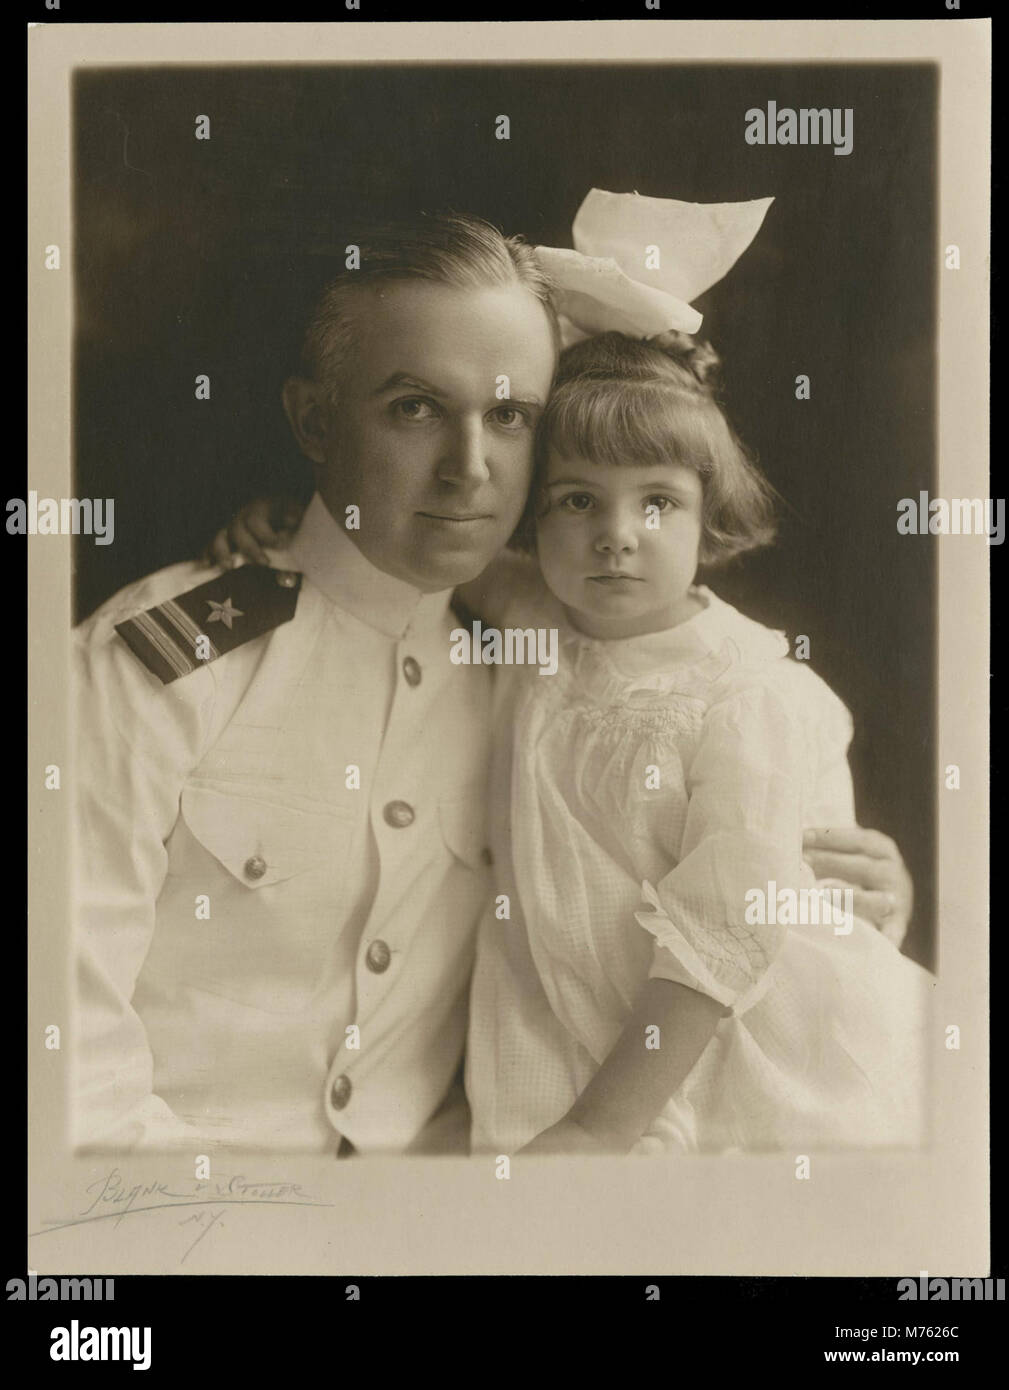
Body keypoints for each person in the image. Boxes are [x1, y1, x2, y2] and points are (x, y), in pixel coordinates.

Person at [79, 203, 915, 1157]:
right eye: (414, 408)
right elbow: (68, 1078)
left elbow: (697, 885)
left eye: (510, 417)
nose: (468, 469)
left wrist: (837, 903)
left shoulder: (532, 661)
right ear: (314, 419)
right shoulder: (165, 665)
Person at [455, 330, 931, 1155]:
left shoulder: (748, 694)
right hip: (573, 1038)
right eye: (575, 499)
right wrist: (295, 525)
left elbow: (725, 932)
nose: (616, 534)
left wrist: (598, 1129)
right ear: (530, 514)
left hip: (726, 1045)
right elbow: (445, 561)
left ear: (708, 510)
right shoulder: (540, 620)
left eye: (657, 502)